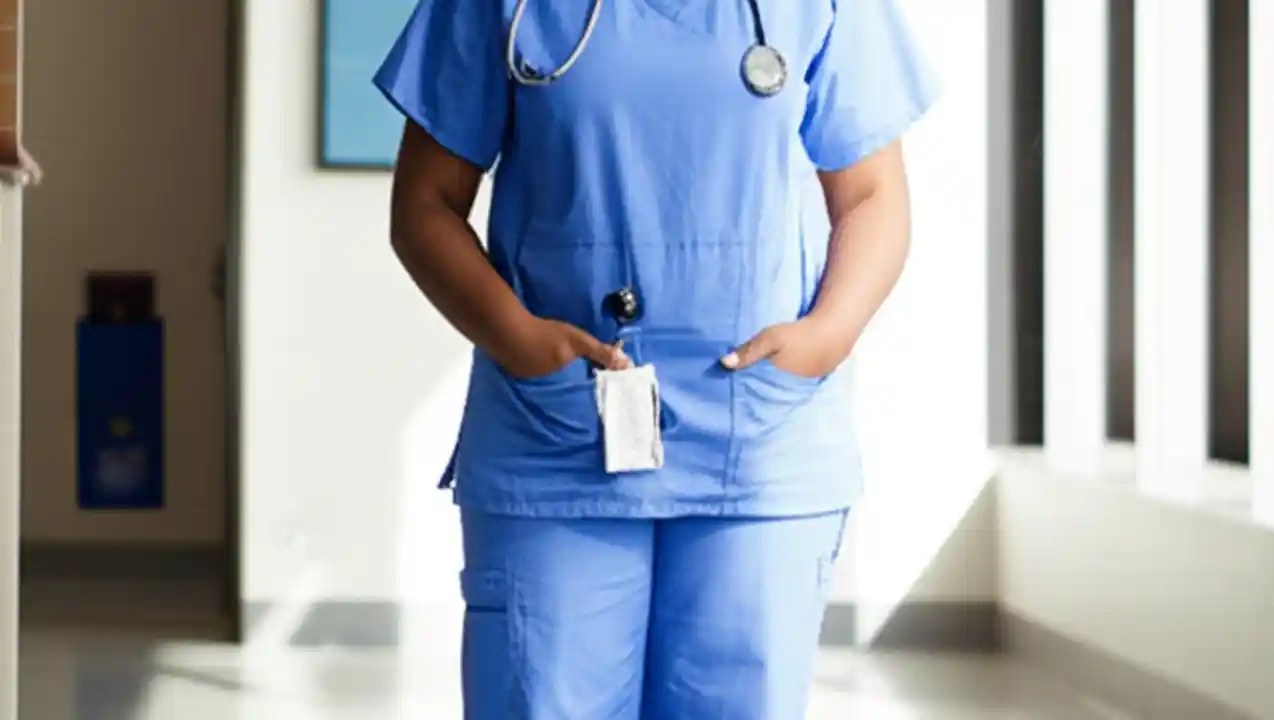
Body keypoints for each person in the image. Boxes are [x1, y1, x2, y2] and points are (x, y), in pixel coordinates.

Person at [374, 0, 938, 716]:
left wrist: (828, 334)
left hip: (759, 432)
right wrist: (517, 339)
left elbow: (872, 193)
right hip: (557, 428)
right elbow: (424, 204)